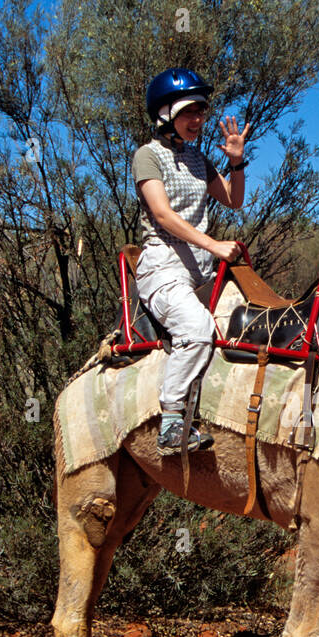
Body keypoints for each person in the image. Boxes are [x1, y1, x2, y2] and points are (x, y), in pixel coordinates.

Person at [132, 67, 251, 455]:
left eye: (201, 111)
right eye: (189, 112)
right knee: (198, 330)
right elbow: (163, 215)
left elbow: (234, 200)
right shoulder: (147, 156)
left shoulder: (199, 159)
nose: (197, 120)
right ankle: (170, 426)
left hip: (200, 274)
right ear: (165, 113)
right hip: (163, 267)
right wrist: (215, 245)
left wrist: (236, 162)